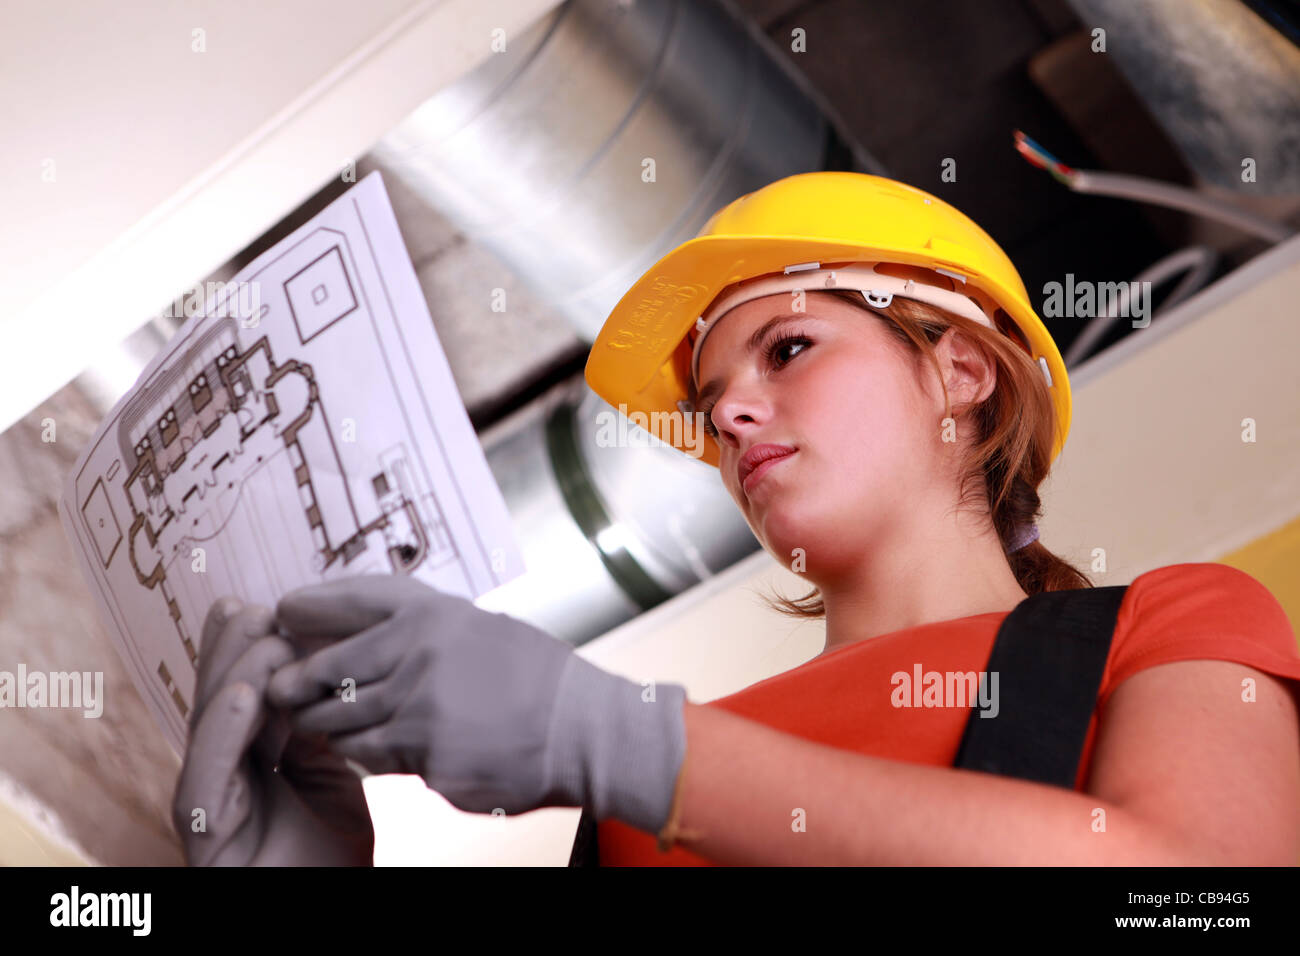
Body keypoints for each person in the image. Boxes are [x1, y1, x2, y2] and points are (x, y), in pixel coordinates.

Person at [174, 172, 1300, 866]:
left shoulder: (1167, 620)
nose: (733, 414)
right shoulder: (625, 805)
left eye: (789, 348)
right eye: (713, 405)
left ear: (960, 368)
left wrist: (628, 746)